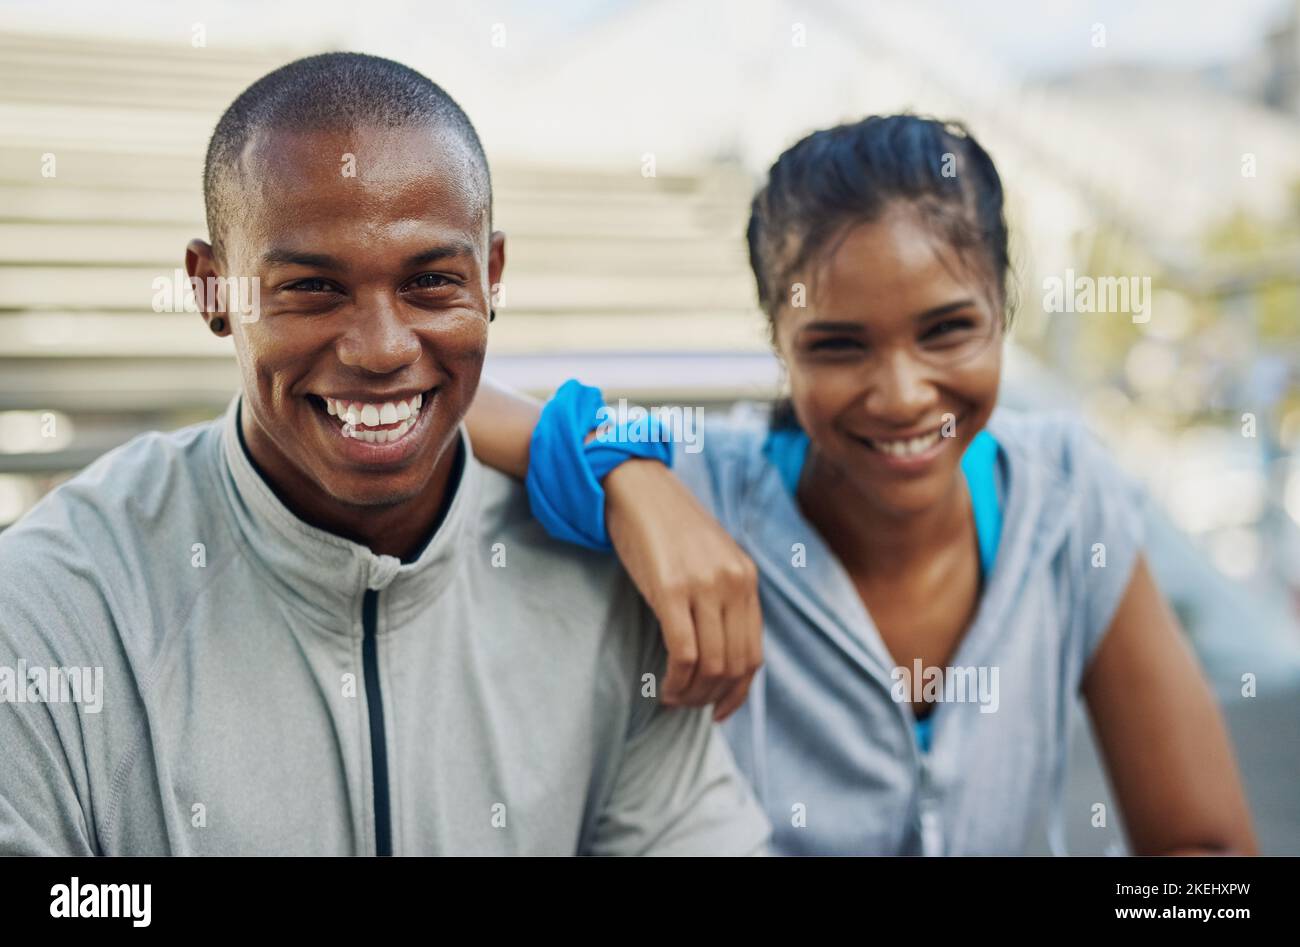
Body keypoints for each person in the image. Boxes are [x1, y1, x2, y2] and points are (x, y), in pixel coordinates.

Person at [0, 53, 770, 856]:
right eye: (312, 287)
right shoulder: (47, 612)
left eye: (431, 281)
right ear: (213, 291)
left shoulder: (607, 579)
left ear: (492, 277)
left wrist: (622, 469)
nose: (381, 347)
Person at [466, 115, 1259, 856]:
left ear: (1004, 310)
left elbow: (1211, 865)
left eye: (948, 329)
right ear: (779, 344)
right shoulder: (706, 479)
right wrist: (632, 476)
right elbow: (438, 401)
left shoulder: (1064, 496)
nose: (903, 394)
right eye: (838, 346)